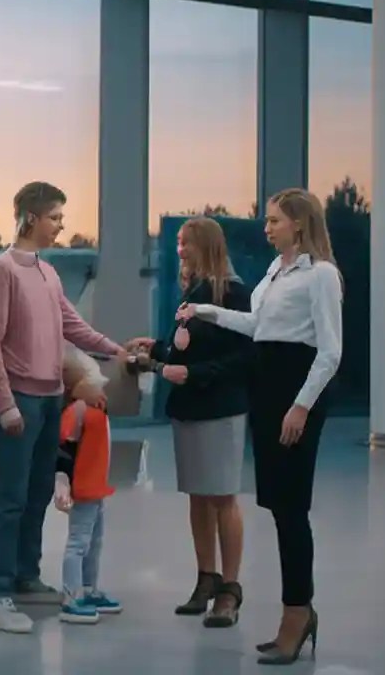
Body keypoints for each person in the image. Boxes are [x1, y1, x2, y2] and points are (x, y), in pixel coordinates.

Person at [177, 188, 342, 665]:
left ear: (299, 224)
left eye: (274, 221)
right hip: (268, 393)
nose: (266, 227)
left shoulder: (322, 277)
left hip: (295, 394)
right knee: (278, 506)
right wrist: (204, 311)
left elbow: (330, 351)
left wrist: (301, 407)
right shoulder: (274, 272)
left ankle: (297, 614)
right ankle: (296, 613)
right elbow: (258, 327)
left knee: (292, 510)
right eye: (267, 220)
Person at [0, 181, 149, 634]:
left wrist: (116, 351)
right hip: (19, 401)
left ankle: (25, 577)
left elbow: (73, 326)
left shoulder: (48, 274)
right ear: (31, 217)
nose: (60, 226)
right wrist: (6, 402)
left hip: (52, 399)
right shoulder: (1, 270)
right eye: (55, 217)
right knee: (9, 500)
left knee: (36, 496)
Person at [148, 217, 253, 628]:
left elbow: (244, 358)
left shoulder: (235, 294)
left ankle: (230, 589)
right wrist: (154, 349)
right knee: (197, 495)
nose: (180, 249)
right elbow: (184, 351)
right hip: (188, 409)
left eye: (186, 242)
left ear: (206, 245)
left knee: (222, 496)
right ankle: (205, 579)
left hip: (221, 409)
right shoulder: (189, 295)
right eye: (177, 242)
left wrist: (196, 375)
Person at [53, 345, 122, 625]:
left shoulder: (96, 409)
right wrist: (62, 482)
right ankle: (72, 596)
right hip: (83, 489)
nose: (103, 392)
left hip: (96, 488)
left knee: (94, 541)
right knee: (78, 543)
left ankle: (89, 588)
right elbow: (64, 452)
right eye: (97, 386)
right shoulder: (77, 413)